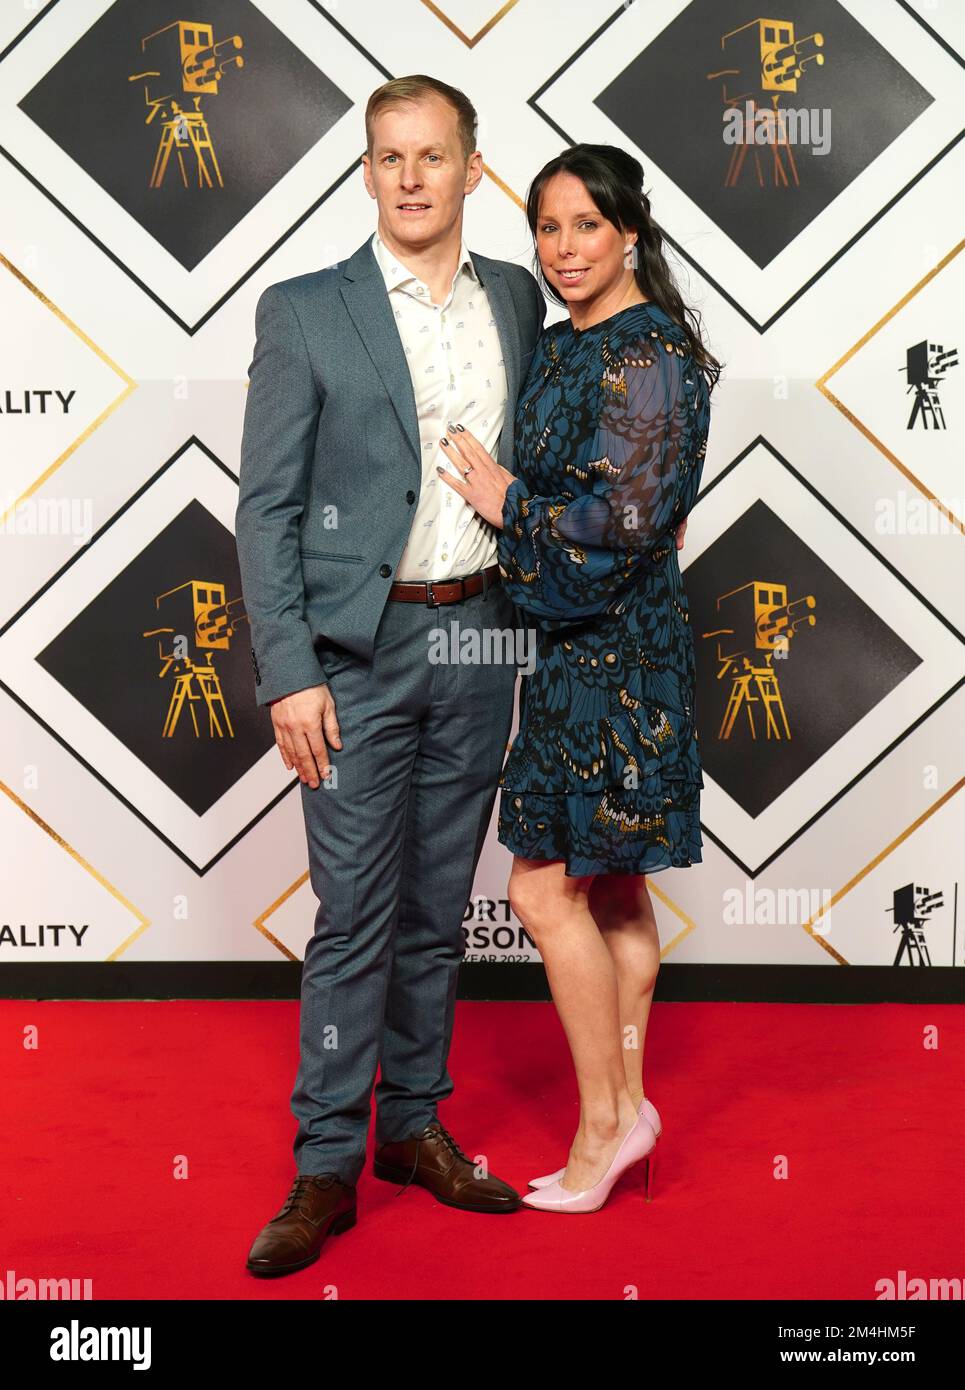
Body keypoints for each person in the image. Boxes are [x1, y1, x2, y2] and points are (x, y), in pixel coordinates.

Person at [235, 75, 546, 1276]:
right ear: (366, 172)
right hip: (354, 657)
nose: (410, 178)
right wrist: (289, 674)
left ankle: (411, 1128)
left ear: (474, 171)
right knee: (353, 914)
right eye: (388, 157)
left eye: (432, 157)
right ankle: (323, 1163)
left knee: (435, 909)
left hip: (480, 641)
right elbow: (265, 507)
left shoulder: (518, 299)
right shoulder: (304, 310)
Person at [437, 143, 720, 1214]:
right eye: (546, 229)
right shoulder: (563, 349)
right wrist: (541, 515)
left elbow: (622, 529)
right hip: (572, 649)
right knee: (610, 888)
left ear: (629, 232)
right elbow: (621, 518)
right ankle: (627, 1109)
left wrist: (511, 503)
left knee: (541, 887)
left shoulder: (646, 356)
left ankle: (606, 1124)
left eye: (584, 227)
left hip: (618, 661)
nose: (562, 250)